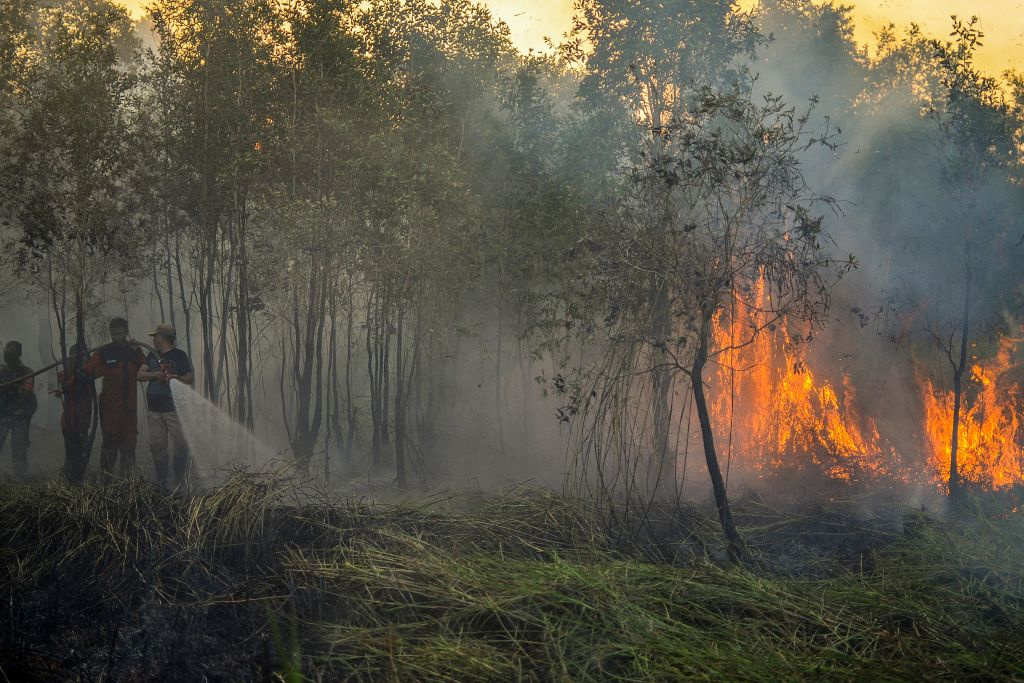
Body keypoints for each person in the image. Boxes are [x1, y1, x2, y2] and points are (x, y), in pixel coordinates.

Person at [83, 318, 147, 481]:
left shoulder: (135, 352)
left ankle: (126, 484)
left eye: (119, 334)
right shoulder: (104, 352)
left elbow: (147, 368)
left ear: (126, 332)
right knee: (109, 447)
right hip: (110, 410)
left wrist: (138, 351)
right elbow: (86, 371)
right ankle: (106, 482)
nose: (116, 337)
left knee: (128, 449)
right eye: (113, 334)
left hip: (130, 411)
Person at [137, 323, 194, 490]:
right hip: (154, 410)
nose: (153, 339)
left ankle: (178, 481)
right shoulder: (152, 355)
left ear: (162, 338)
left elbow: (189, 378)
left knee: (180, 445)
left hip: (174, 410)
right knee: (157, 446)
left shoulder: (179, 356)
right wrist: (156, 374)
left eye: (156, 336)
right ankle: (162, 483)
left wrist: (174, 376)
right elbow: (139, 375)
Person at [55, 343, 93, 483]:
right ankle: (68, 476)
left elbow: (86, 377)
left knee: (81, 448)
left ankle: (79, 476)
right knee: (70, 449)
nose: (80, 360)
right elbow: (66, 381)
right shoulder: (65, 373)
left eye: (82, 357)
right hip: (69, 419)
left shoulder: (89, 373)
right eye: (76, 357)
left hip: (83, 418)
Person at [0, 341, 38, 480]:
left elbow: (26, 393)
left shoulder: (27, 372)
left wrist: (10, 388)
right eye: (8, 352)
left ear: (19, 355)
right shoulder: (1, 370)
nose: (10, 354)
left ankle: (20, 481)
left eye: (13, 352)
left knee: (19, 452)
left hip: (19, 416)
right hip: (2, 414)